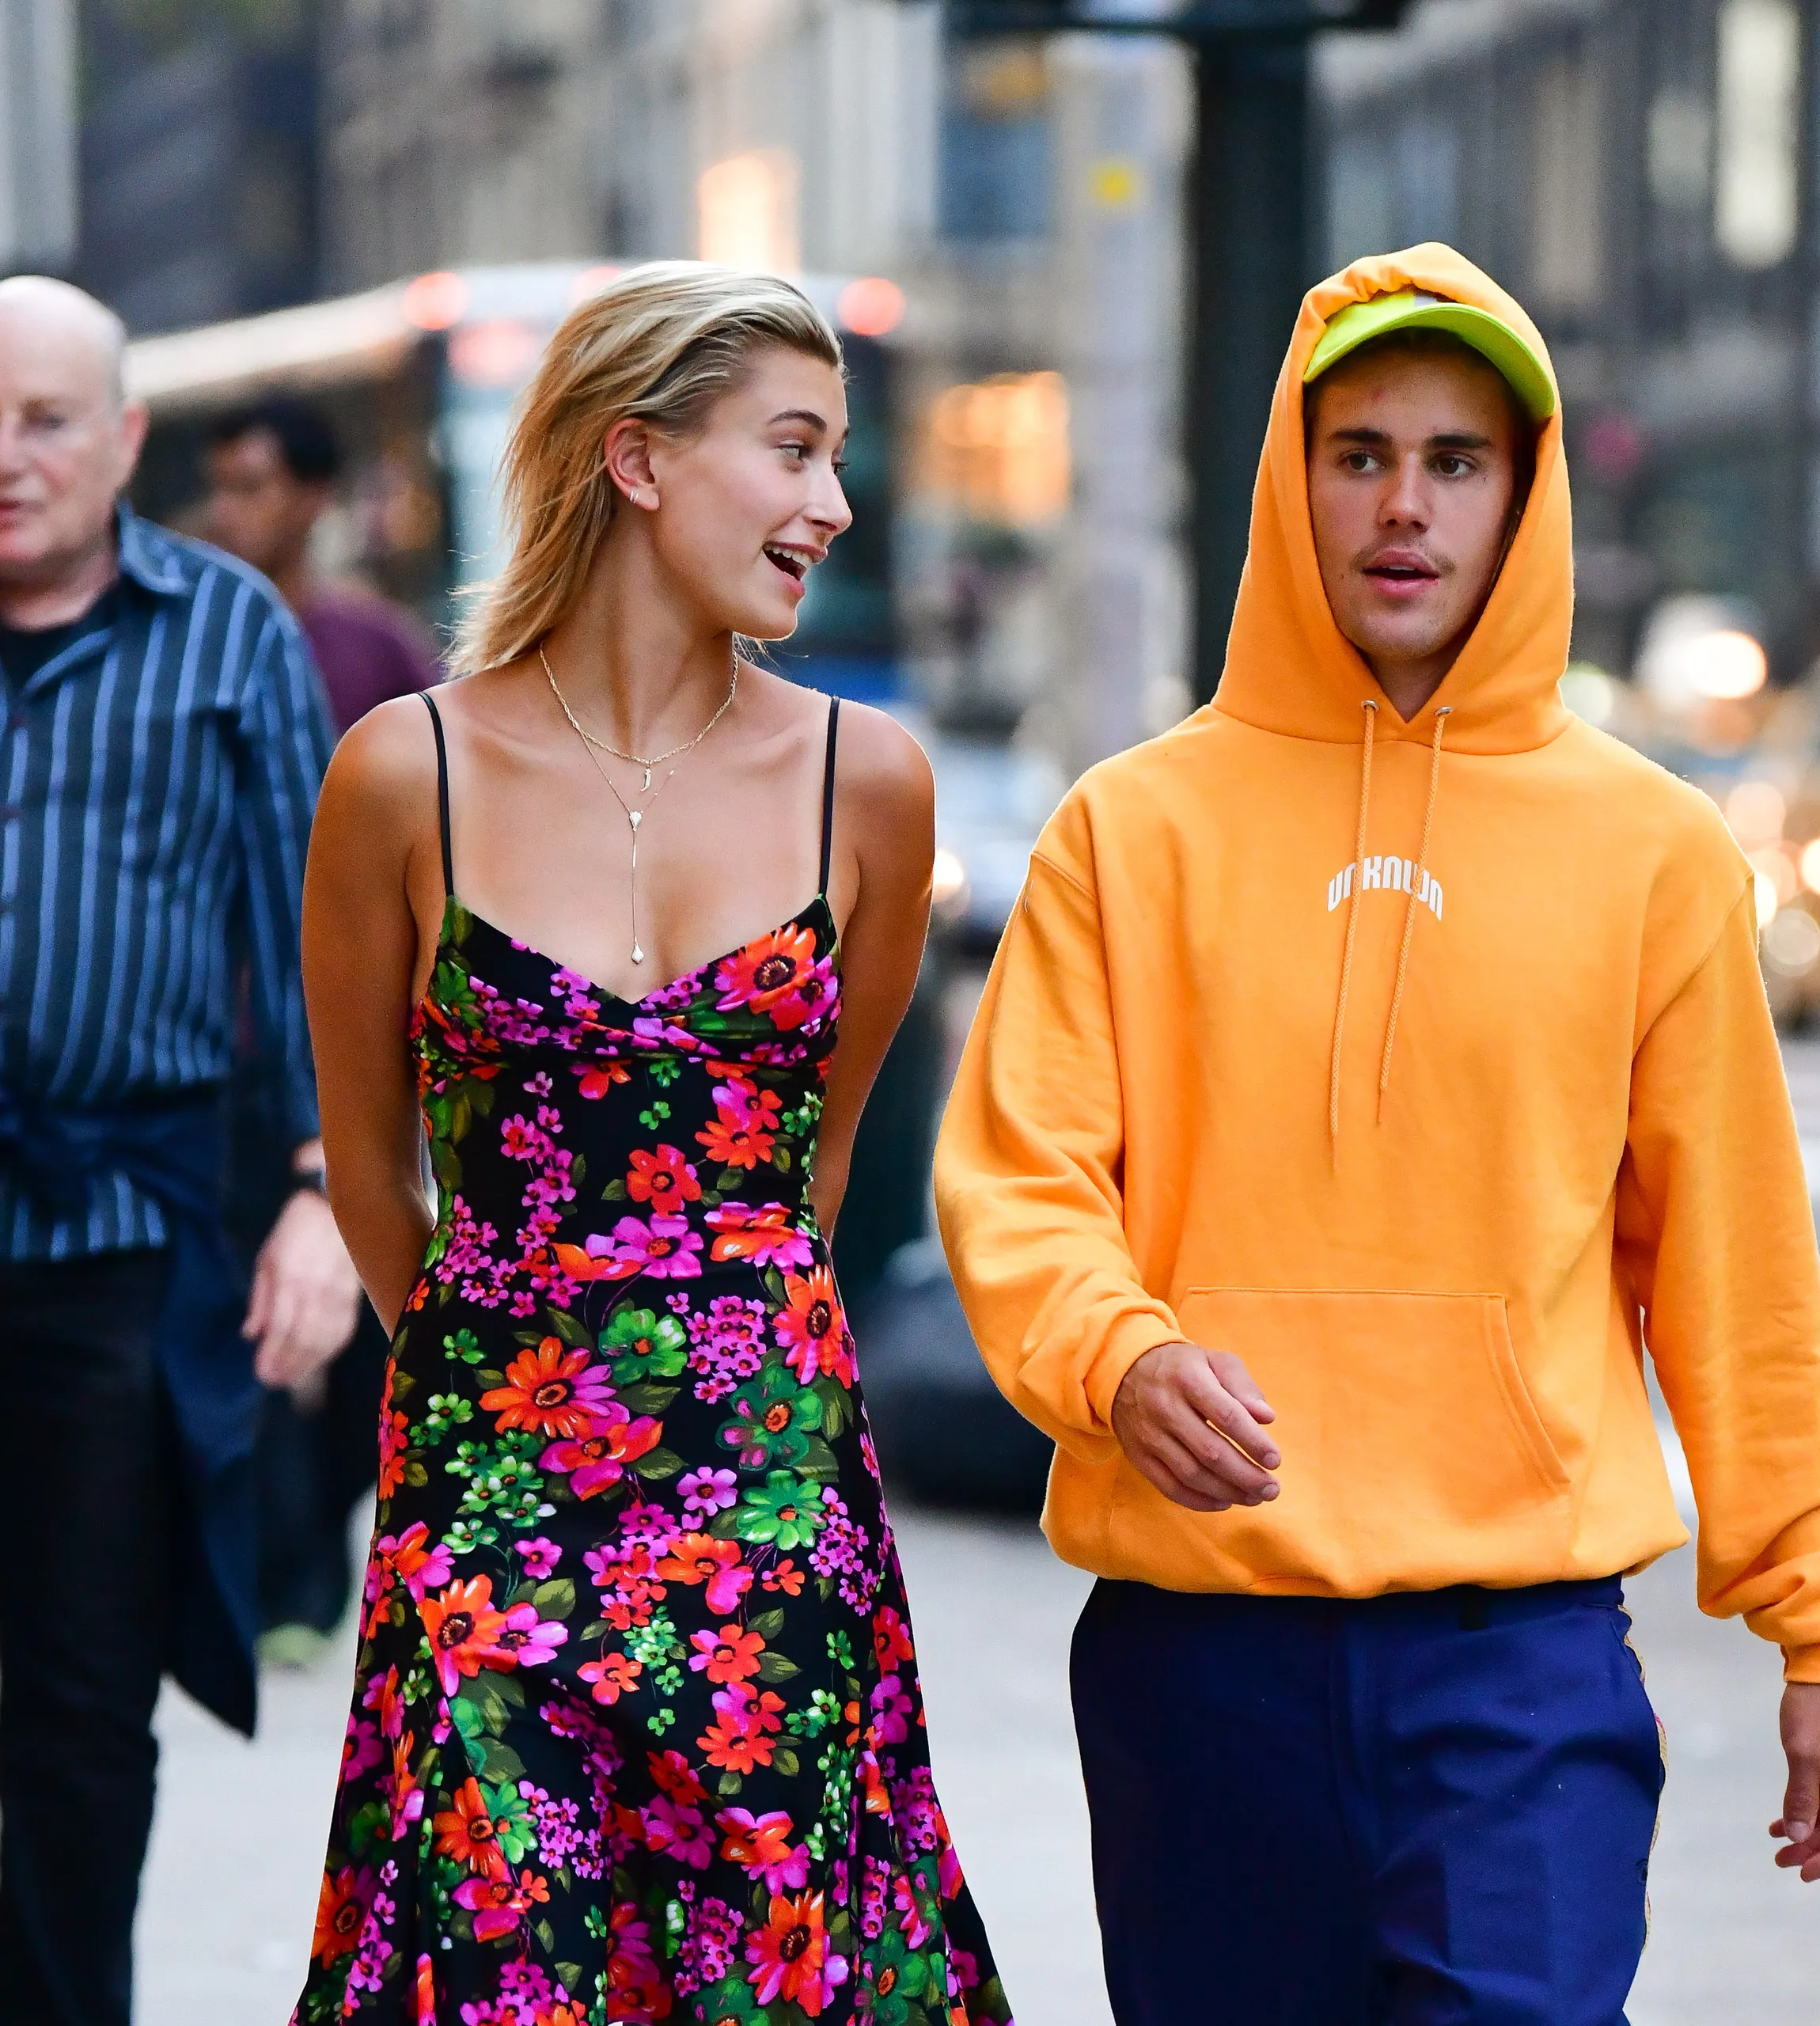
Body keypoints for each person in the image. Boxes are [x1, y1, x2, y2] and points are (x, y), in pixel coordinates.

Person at [935, 245, 1820, 2023]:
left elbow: (1731, 1261)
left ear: (1523, 495)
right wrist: (1119, 1357)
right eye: (1358, 452)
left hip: (1513, 1658)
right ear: (1286, 479)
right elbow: (1022, 1180)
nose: (1403, 506)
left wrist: (1809, 1615)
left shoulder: (1653, 851)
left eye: (1457, 461)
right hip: (1197, 1650)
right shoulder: (1127, 832)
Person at [291, 262, 1010, 2025]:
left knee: (768, 1954)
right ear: (635, 458)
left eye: (836, 456)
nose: (832, 504)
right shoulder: (400, 773)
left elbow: (818, 1166)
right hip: (485, 1480)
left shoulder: (870, 781)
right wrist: (489, 1385)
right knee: (495, 1956)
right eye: (793, 448)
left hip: (768, 1481)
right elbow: (371, 1172)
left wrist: (728, 1366)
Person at [0, 274, 360, 2026]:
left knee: (80, 1699)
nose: (10, 458)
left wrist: (322, 1190)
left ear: (124, 438)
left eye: (46, 420)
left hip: (118, 1243)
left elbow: (316, 935)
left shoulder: (227, 634)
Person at [202, 396, 438, 1664]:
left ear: (312, 496)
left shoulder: (372, 648)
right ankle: (277, 1576)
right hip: (221, 1049)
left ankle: (318, 1542)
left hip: (365, 1040)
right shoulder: (188, 638)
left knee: (364, 1336)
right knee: (243, 1319)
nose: (233, 509)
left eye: (256, 483)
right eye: (223, 484)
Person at [203, 396, 441, 728]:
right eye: (218, 489)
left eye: (248, 488)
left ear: (314, 496)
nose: (222, 512)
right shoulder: (194, 645)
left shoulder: (376, 646)